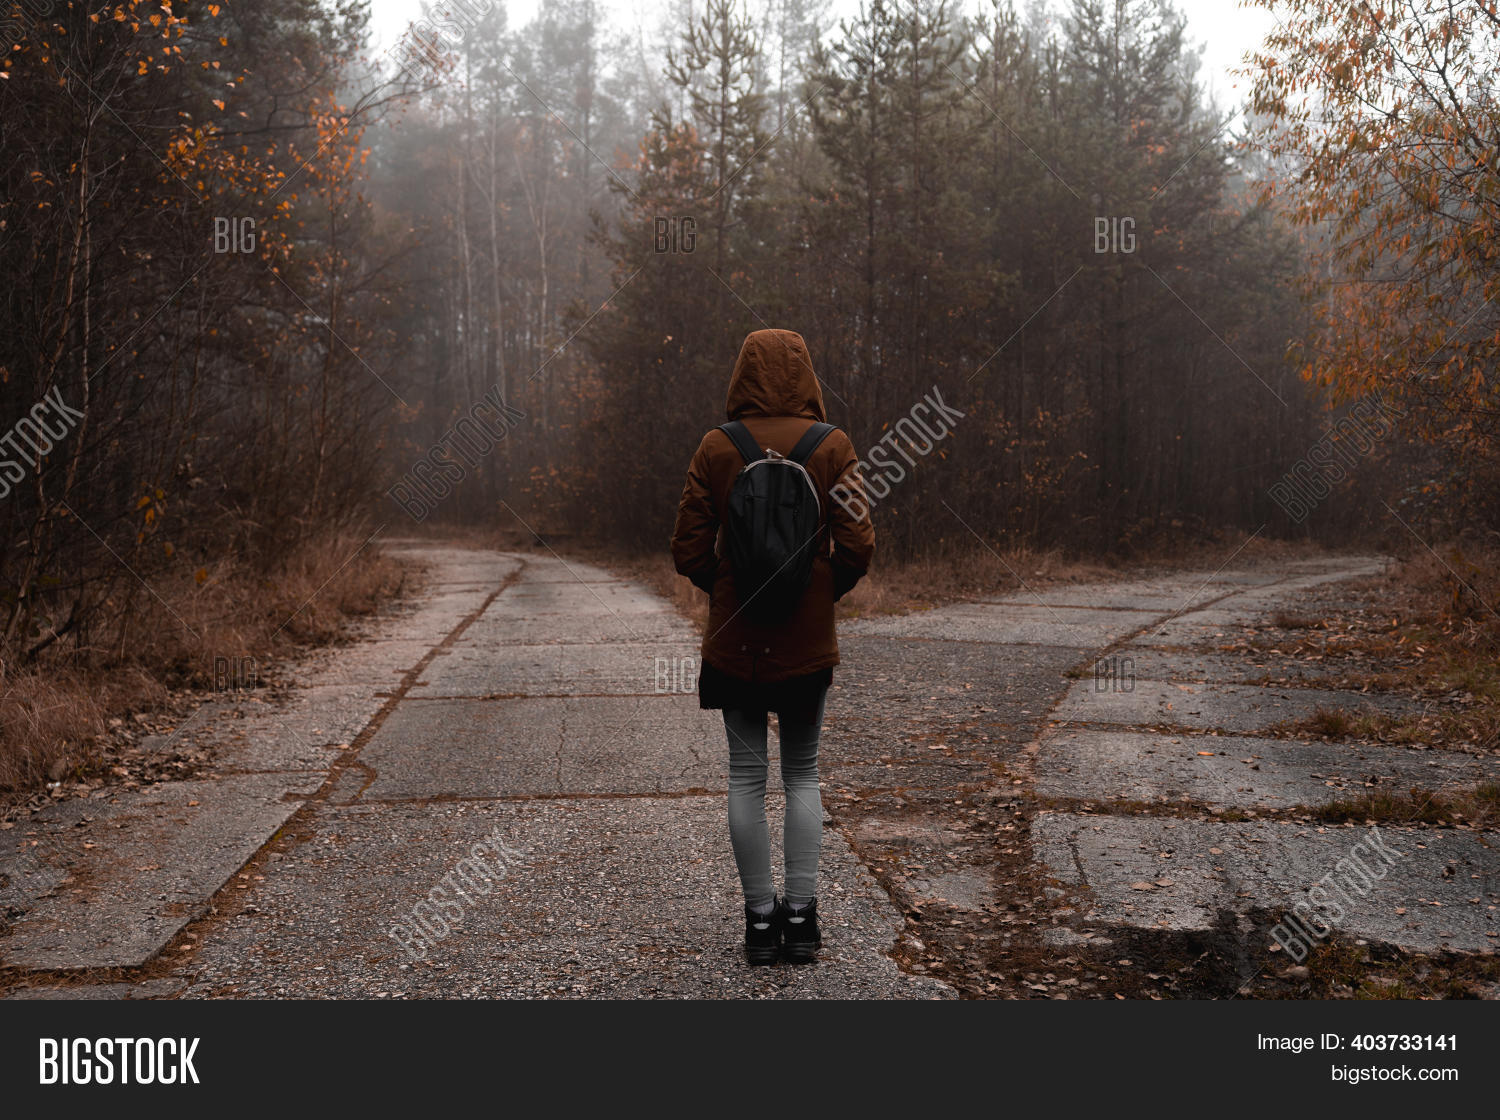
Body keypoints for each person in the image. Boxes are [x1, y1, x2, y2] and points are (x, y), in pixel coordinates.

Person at [670, 328, 874, 964]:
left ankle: (760, 923)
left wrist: (732, 593)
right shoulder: (831, 444)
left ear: (743, 375)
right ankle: (803, 921)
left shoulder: (717, 446)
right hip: (806, 645)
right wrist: (816, 594)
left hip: (736, 644)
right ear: (807, 375)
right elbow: (859, 544)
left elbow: (687, 549)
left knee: (745, 777)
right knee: (803, 773)